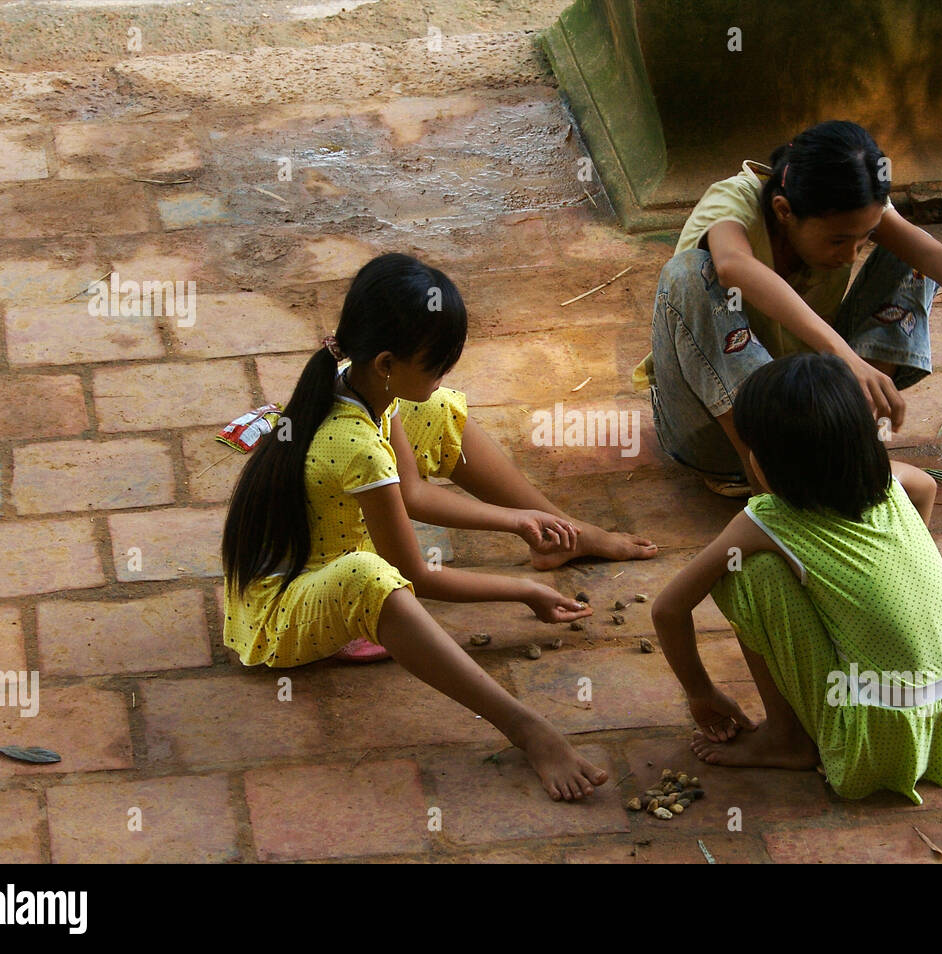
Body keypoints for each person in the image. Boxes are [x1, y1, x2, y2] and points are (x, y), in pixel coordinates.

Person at [220, 252, 655, 800]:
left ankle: (562, 532)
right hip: (277, 613)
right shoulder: (355, 446)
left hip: (319, 547)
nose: (444, 375)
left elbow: (415, 494)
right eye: (437, 364)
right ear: (385, 362)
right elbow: (416, 578)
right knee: (372, 580)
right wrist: (522, 591)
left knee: (437, 409)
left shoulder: (356, 378)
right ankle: (528, 730)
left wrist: (521, 521)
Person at [650, 353, 942, 805]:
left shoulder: (767, 519)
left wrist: (700, 693)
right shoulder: (890, 482)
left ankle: (786, 738)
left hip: (874, 736)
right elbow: (928, 488)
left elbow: (669, 608)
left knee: (745, 573)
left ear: (767, 462)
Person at [633, 120, 942, 496]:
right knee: (687, 274)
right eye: (838, 241)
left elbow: (934, 254)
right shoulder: (733, 201)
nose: (851, 254)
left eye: (863, 239)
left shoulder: (852, 210)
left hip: (809, 413)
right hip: (713, 433)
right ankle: (768, 485)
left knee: (910, 258)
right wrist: (842, 354)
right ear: (784, 211)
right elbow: (733, 265)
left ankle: (853, 439)